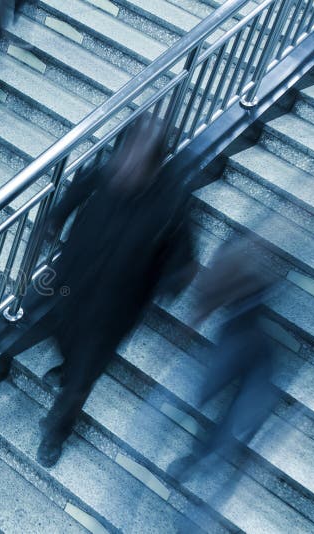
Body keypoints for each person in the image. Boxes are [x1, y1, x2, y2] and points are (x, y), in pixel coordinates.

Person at [34, 117, 198, 467]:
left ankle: (58, 428)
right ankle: (67, 365)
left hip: (114, 310)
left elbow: (182, 260)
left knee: (84, 377)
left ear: (154, 164)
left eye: (137, 160)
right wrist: (55, 219)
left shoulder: (172, 203)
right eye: (126, 154)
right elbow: (77, 190)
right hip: (71, 284)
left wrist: (173, 280)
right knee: (62, 335)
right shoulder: (107, 170)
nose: (125, 167)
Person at [168, 236, 277, 479]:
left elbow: (211, 298)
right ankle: (205, 452)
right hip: (239, 339)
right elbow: (209, 298)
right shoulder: (229, 277)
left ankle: (206, 453)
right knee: (217, 396)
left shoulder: (240, 283)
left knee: (227, 402)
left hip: (247, 348)